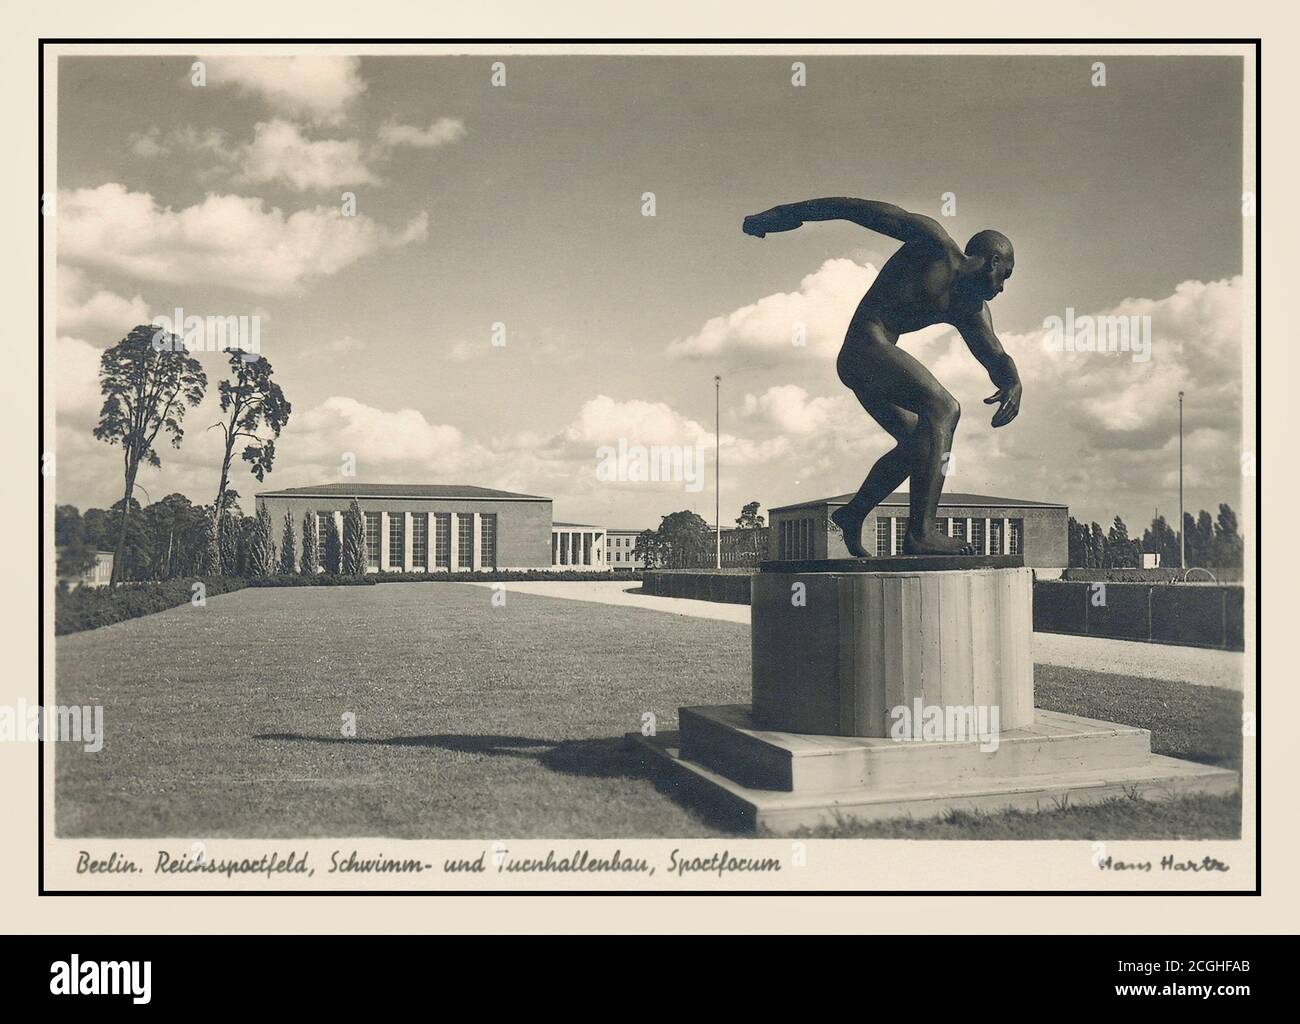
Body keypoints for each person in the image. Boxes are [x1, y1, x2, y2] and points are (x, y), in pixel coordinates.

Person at [743, 197, 1022, 556]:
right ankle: (920, 534)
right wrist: (783, 215)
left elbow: (995, 354)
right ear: (993, 261)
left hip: (872, 364)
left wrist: (1012, 381)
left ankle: (853, 513)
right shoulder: (933, 245)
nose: (1003, 287)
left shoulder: (969, 310)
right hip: (864, 346)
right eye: (1006, 275)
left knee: (918, 443)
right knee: (944, 409)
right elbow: (854, 209)